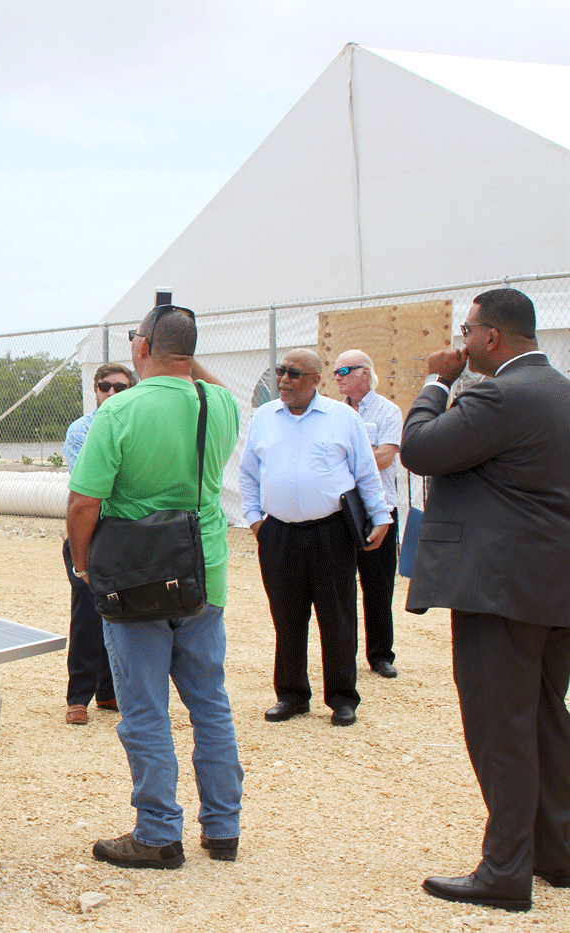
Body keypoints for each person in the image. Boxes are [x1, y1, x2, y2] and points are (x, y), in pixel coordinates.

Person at [402, 288, 570, 913]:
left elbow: (420, 448)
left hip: (499, 589)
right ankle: (558, 854)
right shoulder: (561, 390)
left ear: (492, 338)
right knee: (549, 722)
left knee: (501, 729)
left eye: (468, 332)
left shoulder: (500, 394)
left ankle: (504, 872)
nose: (462, 343)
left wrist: (435, 384)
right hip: (554, 588)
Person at [66, 305, 244, 869]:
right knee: (210, 704)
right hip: (203, 572)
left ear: (141, 348)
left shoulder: (118, 410)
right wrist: (178, 350)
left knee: (144, 709)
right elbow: (202, 383)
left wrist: (83, 562)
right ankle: (222, 829)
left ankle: (159, 832)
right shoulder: (221, 405)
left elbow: (83, 502)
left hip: (135, 580)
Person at [239, 348, 390, 727]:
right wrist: (257, 520)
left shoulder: (342, 418)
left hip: (331, 532)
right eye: (281, 372)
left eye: (294, 374)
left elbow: (366, 473)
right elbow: (249, 473)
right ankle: (291, 695)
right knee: (286, 616)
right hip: (278, 534)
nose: (284, 380)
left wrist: (382, 517)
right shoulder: (264, 419)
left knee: (337, 615)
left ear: (315, 381)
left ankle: (341, 697)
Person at [59, 363, 135, 725]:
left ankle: (109, 692)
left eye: (120, 387)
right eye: (105, 386)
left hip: (126, 534)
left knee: (122, 611)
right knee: (87, 612)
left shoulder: (138, 424)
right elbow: (92, 486)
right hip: (90, 532)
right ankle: (79, 697)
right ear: (95, 390)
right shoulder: (81, 431)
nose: (111, 393)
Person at [333, 349, 404, 678]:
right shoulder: (334, 414)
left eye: (344, 370)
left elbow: (386, 457)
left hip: (379, 510)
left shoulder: (388, 411)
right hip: (342, 511)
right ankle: (344, 654)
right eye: (335, 372)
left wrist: (347, 459)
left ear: (366, 372)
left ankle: (380, 655)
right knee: (340, 587)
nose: (338, 377)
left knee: (378, 585)